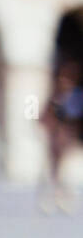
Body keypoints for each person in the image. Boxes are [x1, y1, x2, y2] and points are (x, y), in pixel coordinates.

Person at [38, 62, 82, 214]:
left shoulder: (74, 98)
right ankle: (51, 199)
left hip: (66, 139)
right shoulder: (54, 99)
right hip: (55, 139)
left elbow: (75, 118)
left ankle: (64, 199)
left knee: (67, 171)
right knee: (53, 171)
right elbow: (42, 116)